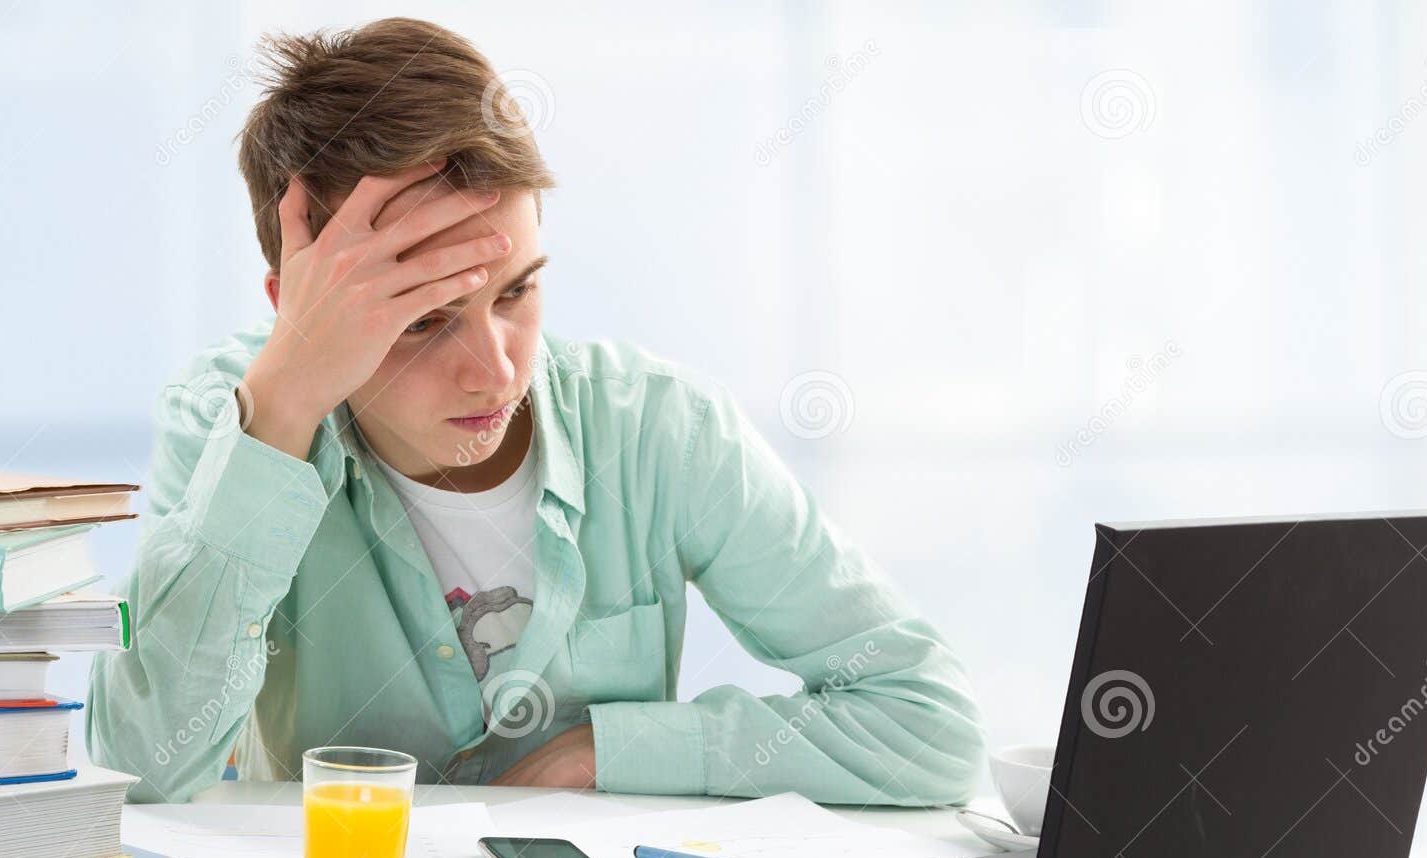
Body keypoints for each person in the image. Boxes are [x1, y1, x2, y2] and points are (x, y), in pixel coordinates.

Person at [87, 17, 986, 805]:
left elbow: (927, 724)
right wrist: (281, 406)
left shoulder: (658, 428)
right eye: (425, 318)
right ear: (302, 306)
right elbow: (139, 772)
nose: (494, 370)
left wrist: (602, 751)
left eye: (515, 293)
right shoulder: (233, 419)